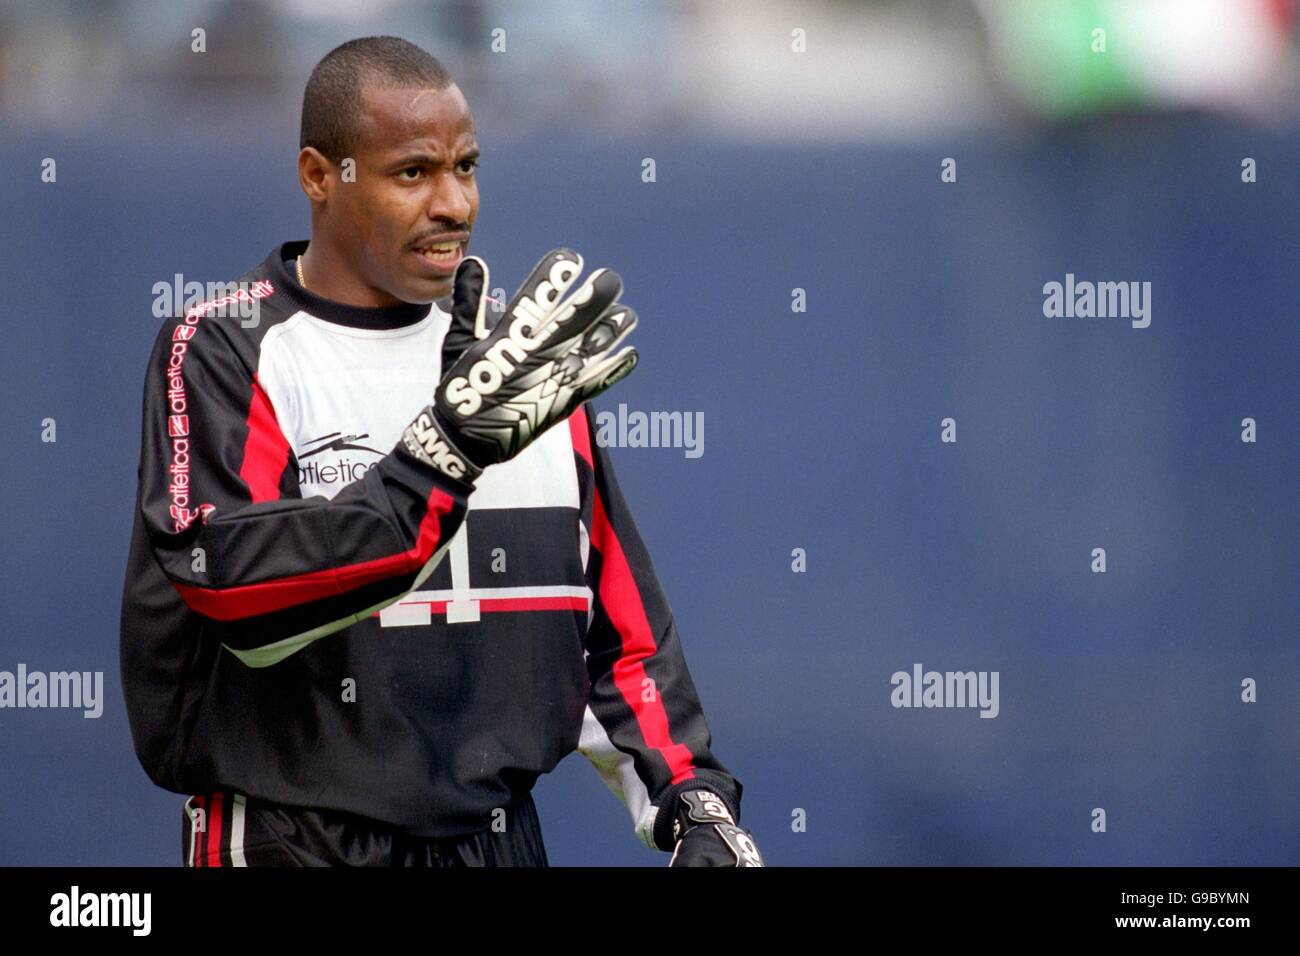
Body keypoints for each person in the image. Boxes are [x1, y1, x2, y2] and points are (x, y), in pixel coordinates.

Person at [119, 35, 764, 868]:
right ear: (319, 176)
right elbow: (240, 593)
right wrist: (442, 454)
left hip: (494, 842)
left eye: (467, 166)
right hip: (291, 840)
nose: (455, 203)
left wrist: (690, 800)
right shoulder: (221, 350)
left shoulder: (516, 355)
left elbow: (615, 622)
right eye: (414, 172)